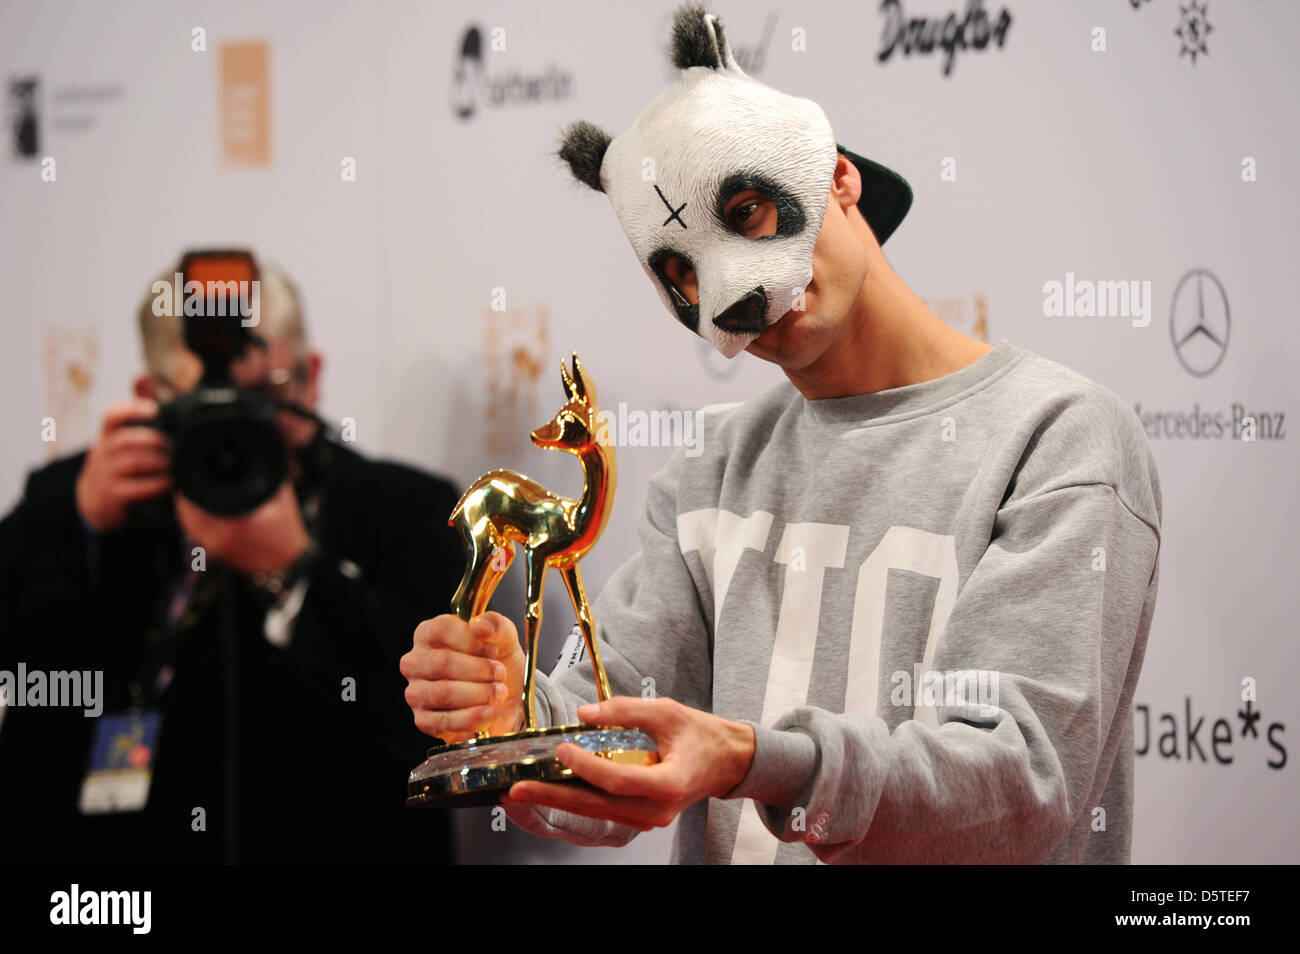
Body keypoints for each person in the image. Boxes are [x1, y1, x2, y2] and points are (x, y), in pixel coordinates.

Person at [400, 4, 1162, 864]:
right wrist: (515, 716)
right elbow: (613, 762)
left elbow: (1018, 787)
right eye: (683, 272)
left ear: (838, 177)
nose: (736, 292)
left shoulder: (1057, 438)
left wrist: (760, 765)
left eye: (751, 212)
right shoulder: (712, 470)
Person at [0, 254, 463, 864]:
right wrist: (77, 523)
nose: (243, 426)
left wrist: (297, 571)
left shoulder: (406, 510)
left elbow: (438, 728)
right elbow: (25, 669)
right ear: (149, 396)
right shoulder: (82, 496)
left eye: (265, 394)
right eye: (208, 403)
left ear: (311, 376)